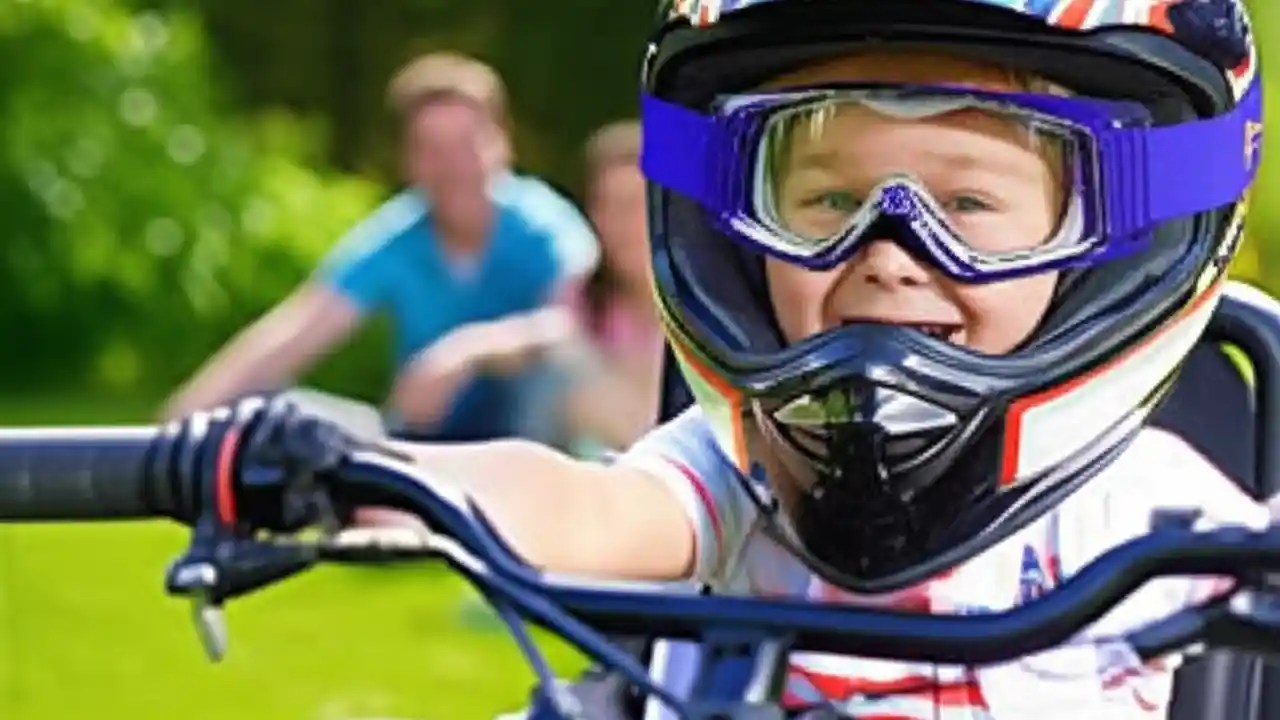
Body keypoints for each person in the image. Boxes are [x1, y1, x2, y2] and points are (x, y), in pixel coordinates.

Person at [170, 0, 1272, 717]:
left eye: (969, 206)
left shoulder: (1153, 519)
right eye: (826, 201)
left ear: (1125, 232)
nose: (886, 256)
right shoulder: (743, 473)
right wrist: (382, 475)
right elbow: (584, 510)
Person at [161, 52, 597, 442]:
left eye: (467, 144)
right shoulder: (400, 234)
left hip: (529, 448)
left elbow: (579, 324)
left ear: (502, 143)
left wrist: (467, 351)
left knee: (555, 371)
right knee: (279, 418)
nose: (453, 167)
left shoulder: (544, 224)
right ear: (407, 160)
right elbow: (300, 328)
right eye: (432, 149)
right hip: (425, 440)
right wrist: (183, 419)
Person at [558, 121, 664, 453]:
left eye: (634, 204)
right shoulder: (582, 298)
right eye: (608, 206)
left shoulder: (712, 301)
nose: (622, 224)